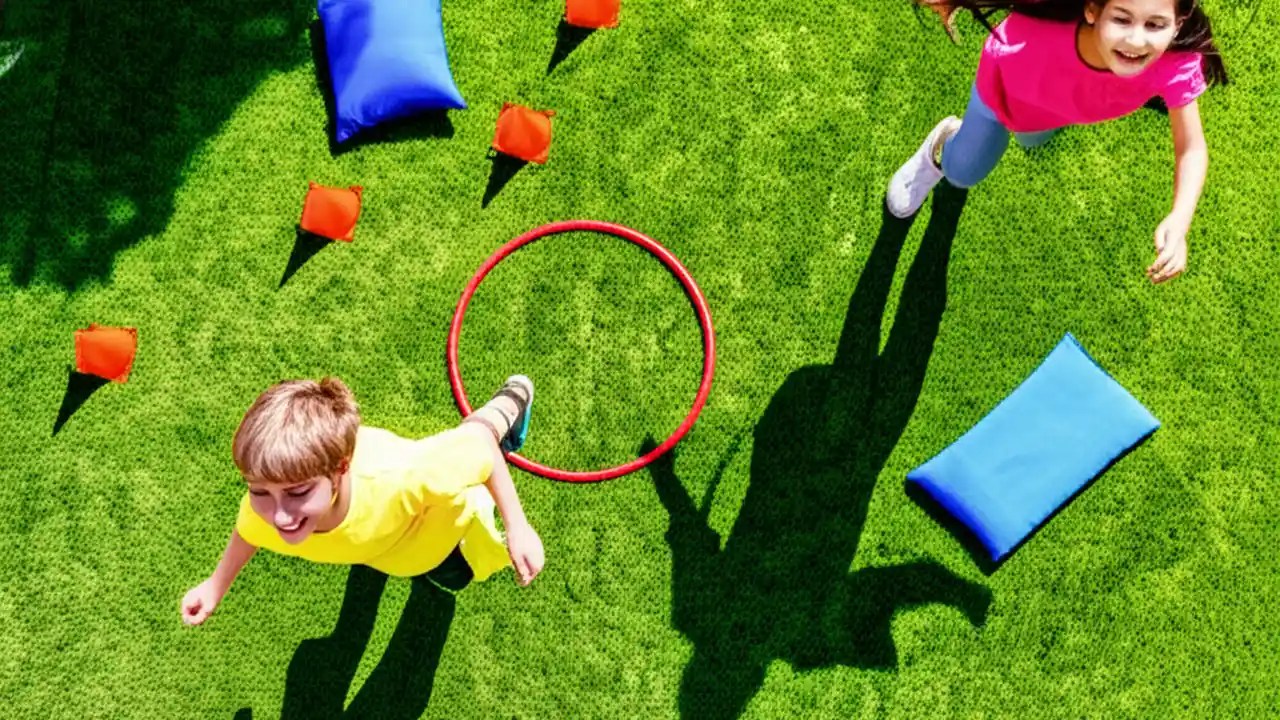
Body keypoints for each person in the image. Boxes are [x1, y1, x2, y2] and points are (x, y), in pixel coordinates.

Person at [886, 0, 1227, 283]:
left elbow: (1192, 147)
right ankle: (943, 142)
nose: (1137, 41)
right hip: (999, 102)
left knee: (1032, 141)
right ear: (1093, 11)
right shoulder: (1020, 40)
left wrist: (1180, 221)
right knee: (963, 173)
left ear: (1178, 25)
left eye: (1155, 25)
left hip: (1054, 112)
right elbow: (998, 85)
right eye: (1122, 19)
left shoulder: (1176, 64)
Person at [181, 375, 543, 626]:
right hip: (385, 550)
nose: (279, 516)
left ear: (340, 469)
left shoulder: (405, 478)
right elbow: (248, 531)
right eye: (259, 491)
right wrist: (216, 585)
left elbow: (480, 445)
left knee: (453, 576)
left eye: (298, 492)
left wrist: (518, 526)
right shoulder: (265, 508)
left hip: (444, 535)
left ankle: (514, 398)